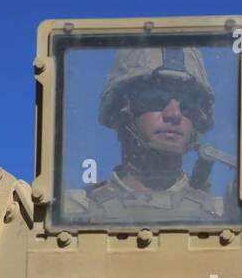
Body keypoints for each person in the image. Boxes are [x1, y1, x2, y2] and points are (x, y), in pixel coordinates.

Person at [63, 46, 229, 223]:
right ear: (122, 110)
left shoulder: (223, 216)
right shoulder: (71, 212)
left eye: (188, 104)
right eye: (156, 98)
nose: (174, 114)